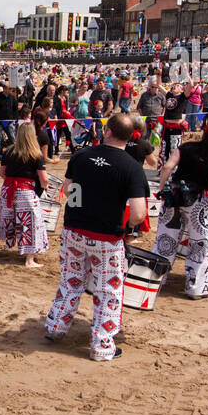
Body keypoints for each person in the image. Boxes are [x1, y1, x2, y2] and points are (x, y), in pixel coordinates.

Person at [44, 114, 148, 362]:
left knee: (71, 280)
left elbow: (68, 190)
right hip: (107, 236)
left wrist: (84, 203)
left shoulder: (81, 155)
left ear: (108, 132)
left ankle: (55, 326)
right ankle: (102, 344)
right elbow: (139, 213)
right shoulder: (132, 167)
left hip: (74, 230)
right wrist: (126, 225)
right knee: (107, 290)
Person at [152, 120, 208, 298]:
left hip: (174, 196)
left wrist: (163, 189)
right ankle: (196, 287)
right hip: (198, 202)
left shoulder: (186, 147)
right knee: (200, 245)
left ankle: (154, 279)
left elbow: (166, 167)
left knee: (165, 240)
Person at [0, 123, 49, 267]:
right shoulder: (36, 154)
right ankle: (29, 260)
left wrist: (11, 180)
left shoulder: (9, 151)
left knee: (4, 219)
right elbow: (44, 179)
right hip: (25, 192)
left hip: (7, 190)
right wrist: (44, 188)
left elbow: (1, 173)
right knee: (30, 224)